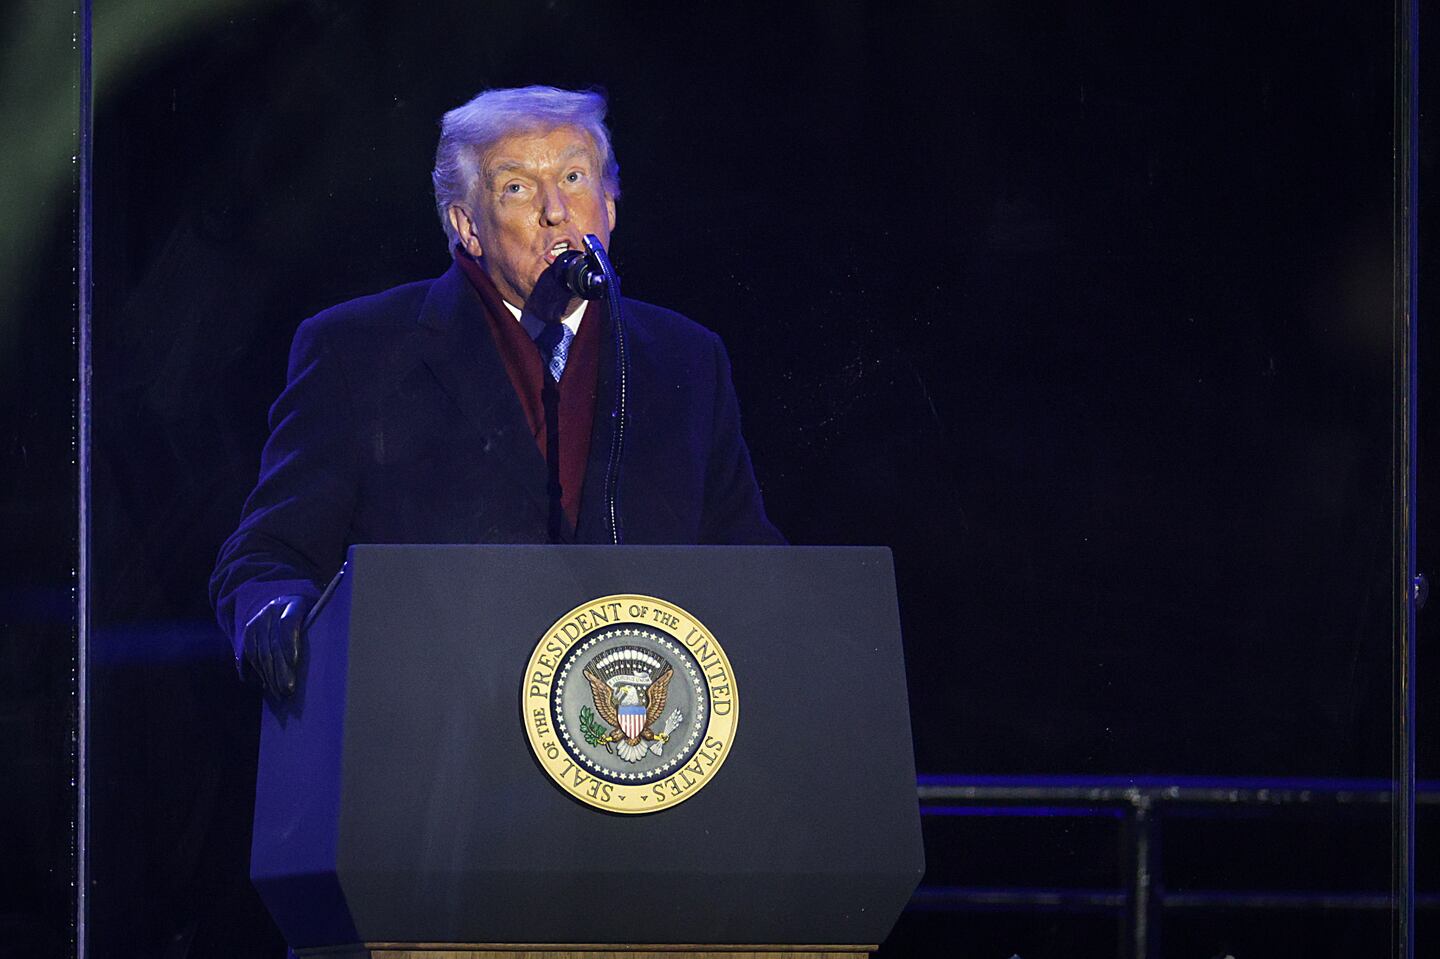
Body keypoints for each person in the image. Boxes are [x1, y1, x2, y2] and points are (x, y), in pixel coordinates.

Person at [209, 86, 783, 697]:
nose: (556, 211)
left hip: (638, 747)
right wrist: (274, 609)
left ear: (610, 205)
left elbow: (747, 562)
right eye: (517, 187)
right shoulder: (359, 350)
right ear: (467, 227)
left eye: (574, 176)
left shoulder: (686, 357)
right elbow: (268, 555)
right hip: (444, 738)